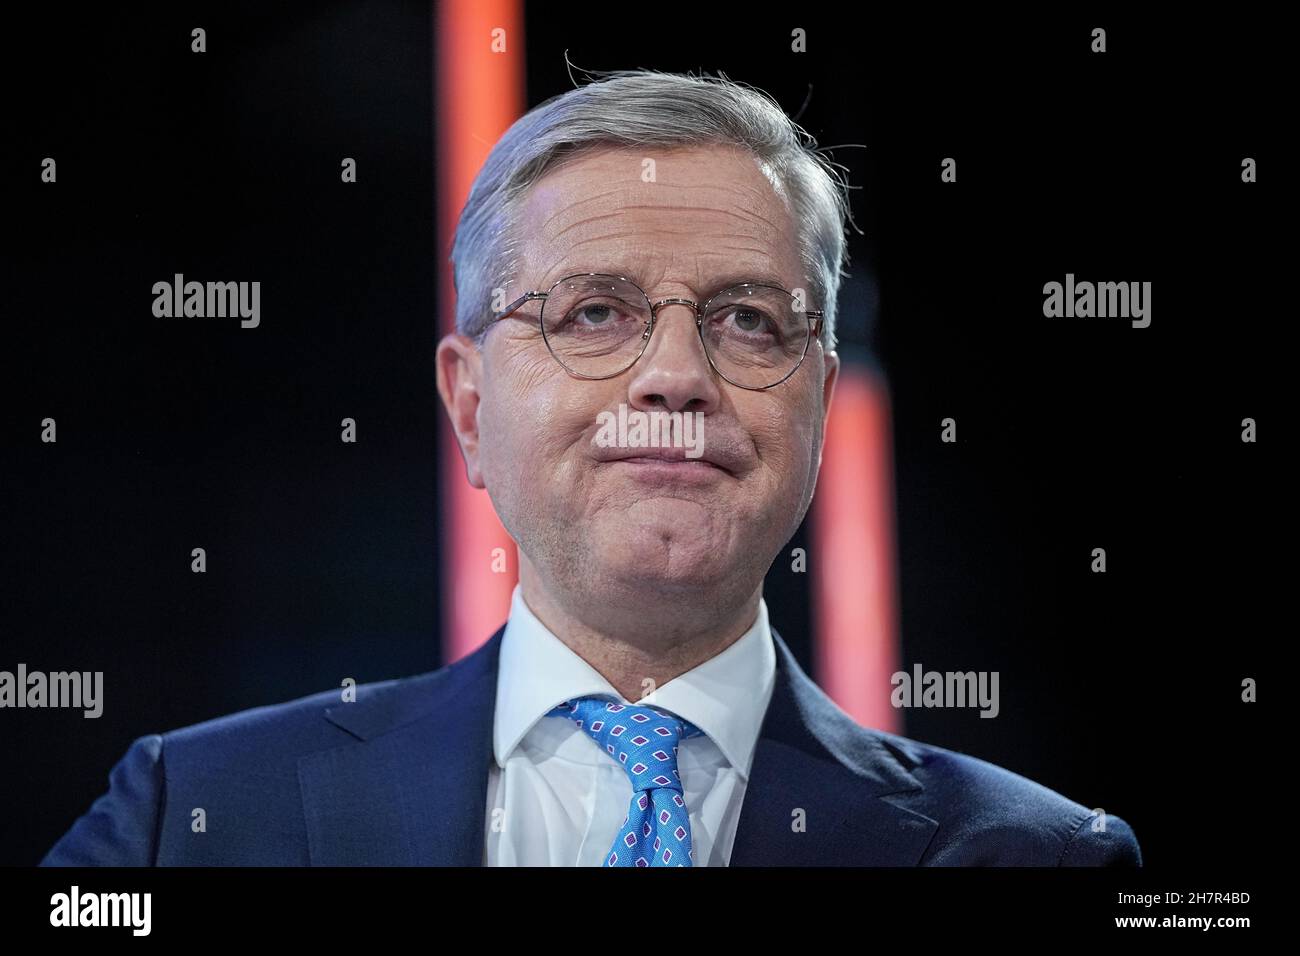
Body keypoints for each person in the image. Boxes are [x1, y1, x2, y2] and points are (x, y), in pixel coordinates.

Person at [41, 69, 1140, 867]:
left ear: (817, 393)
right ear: (469, 405)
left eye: (748, 319)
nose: (675, 375)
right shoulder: (190, 815)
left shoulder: (1038, 856)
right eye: (596, 312)